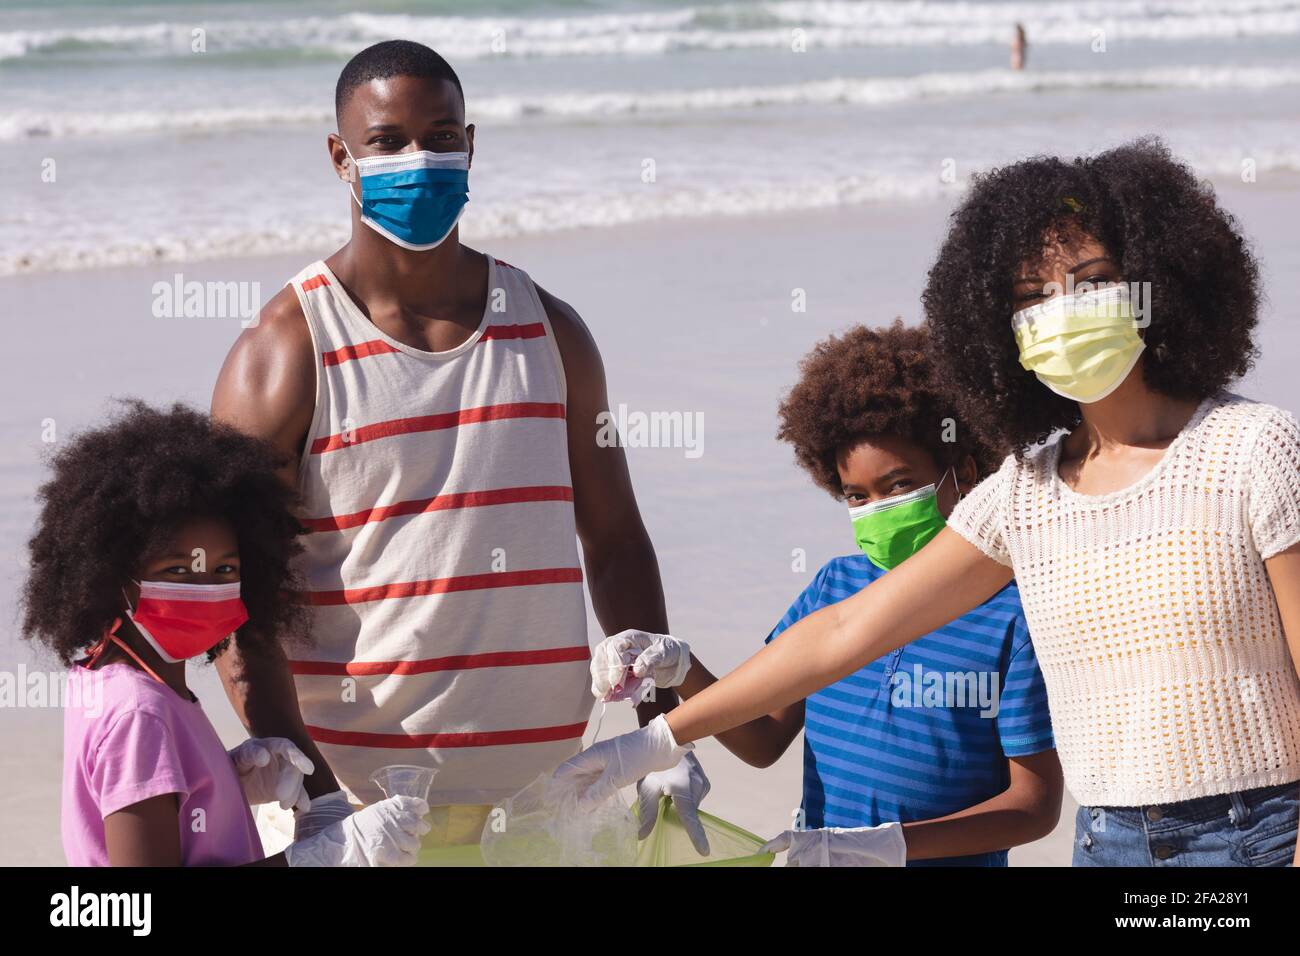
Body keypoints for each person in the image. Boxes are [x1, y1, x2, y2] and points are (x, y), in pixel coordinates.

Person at [556, 138, 1300, 867]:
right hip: (1106, 843)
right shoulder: (1024, 492)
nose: (1062, 312)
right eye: (1031, 298)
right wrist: (657, 739)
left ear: (1157, 284)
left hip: (1255, 833)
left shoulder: (1253, 448)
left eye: (1094, 281)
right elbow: (843, 631)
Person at [210, 40, 700, 861]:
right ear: (341, 157)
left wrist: (659, 735)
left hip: (551, 806)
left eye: (442, 137)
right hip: (368, 821)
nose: (420, 159)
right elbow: (237, 601)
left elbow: (615, 542)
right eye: (388, 141)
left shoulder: (552, 331)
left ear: (471, 145)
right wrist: (321, 800)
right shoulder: (284, 351)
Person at [589, 322, 1061, 866]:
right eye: (856, 495)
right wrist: (678, 666)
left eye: (900, 485)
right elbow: (763, 741)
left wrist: (890, 846)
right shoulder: (833, 588)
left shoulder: (1013, 611)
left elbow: (1036, 805)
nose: (877, 507)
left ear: (965, 473)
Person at [23, 401, 429, 866]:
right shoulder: (140, 714)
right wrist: (320, 858)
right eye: (179, 569)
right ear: (112, 575)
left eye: (225, 569)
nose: (206, 588)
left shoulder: (113, 680)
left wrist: (218, 782)